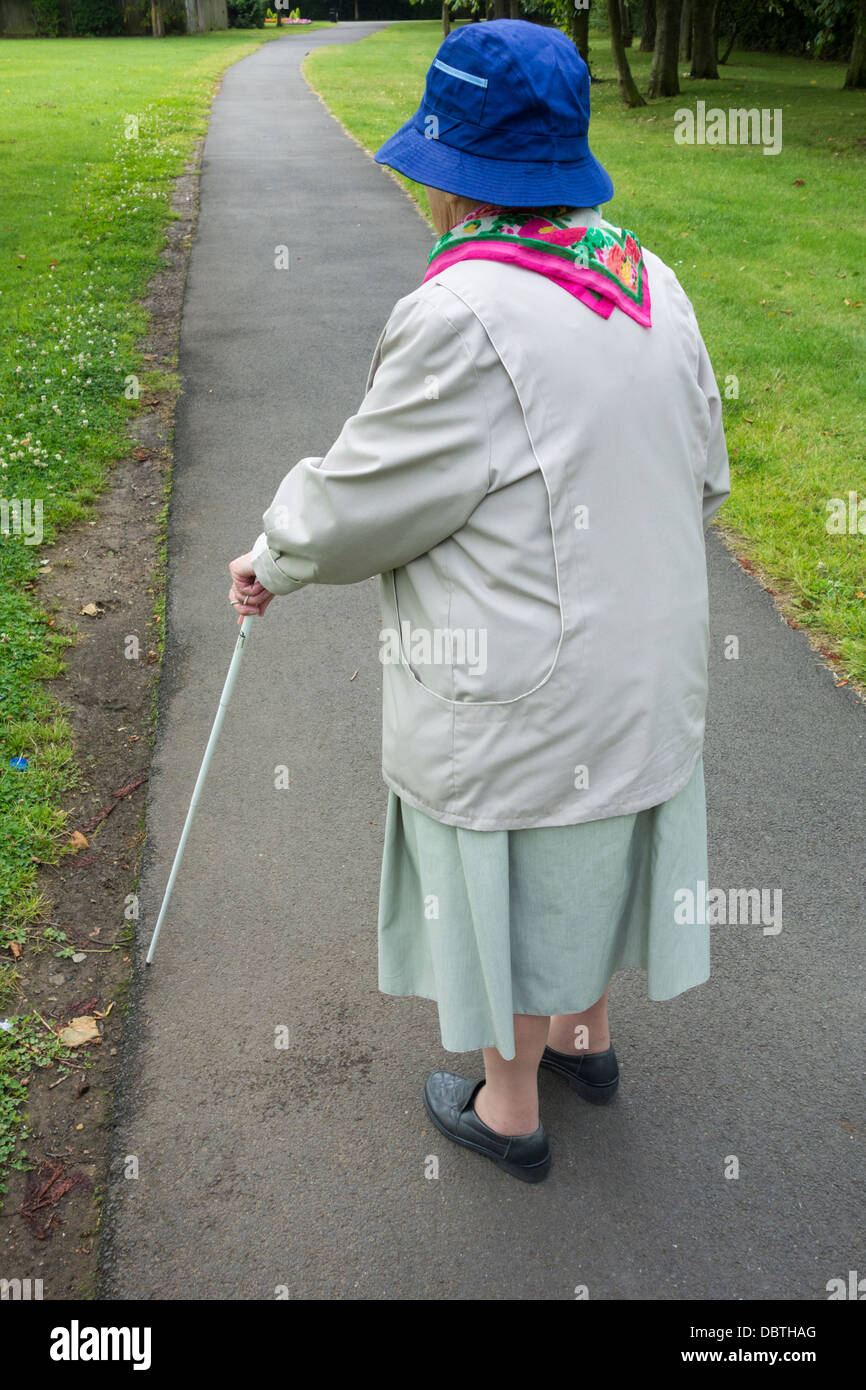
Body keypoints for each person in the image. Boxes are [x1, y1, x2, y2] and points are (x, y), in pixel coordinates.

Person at [228, 19, 730, 1184]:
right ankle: (584, 1039)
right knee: (595, 837)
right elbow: (703, 473)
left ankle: (509, 1109)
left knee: (506, 864)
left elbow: (367, 493)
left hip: (519, 678)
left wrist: (272, 555)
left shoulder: (462, 314)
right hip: (641, 666)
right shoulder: (647, 278)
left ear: (450, 171)